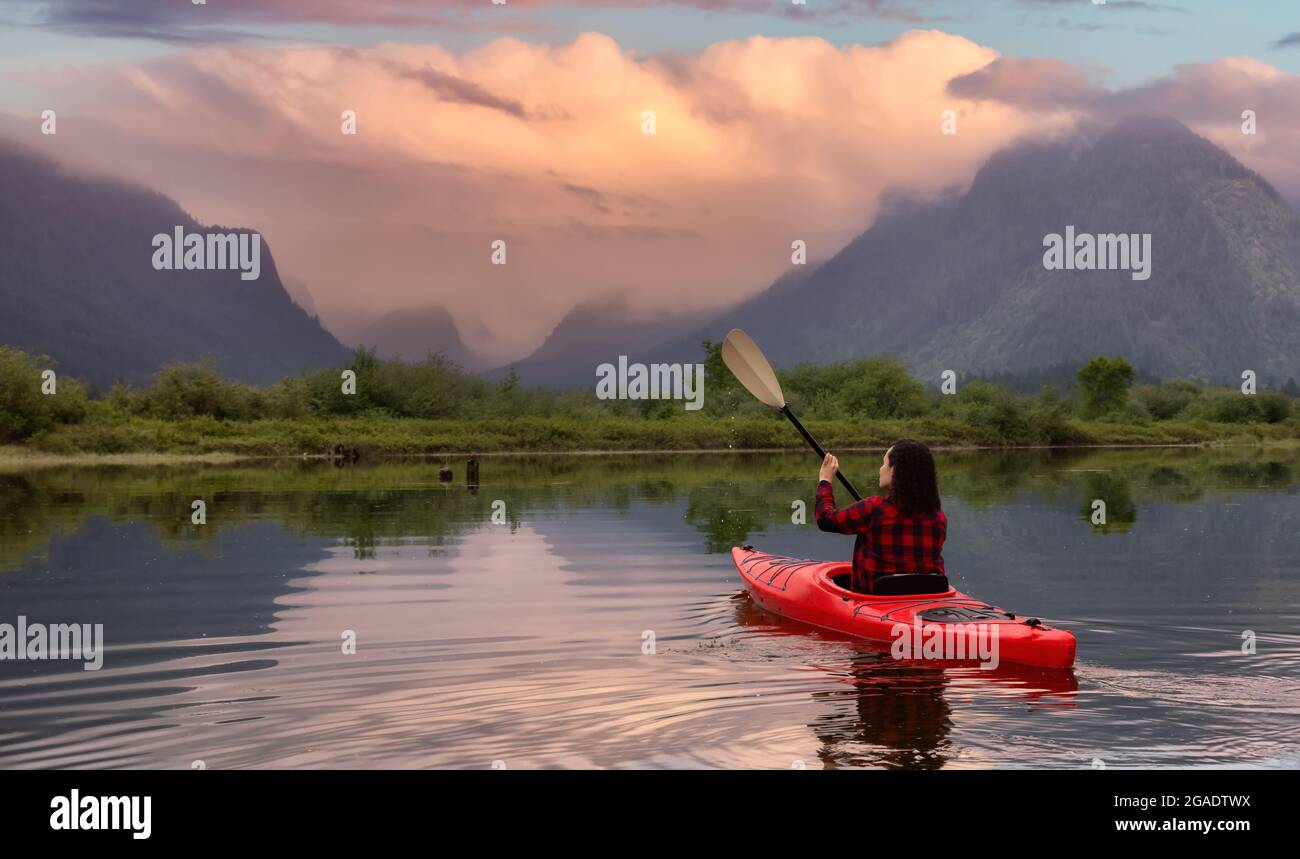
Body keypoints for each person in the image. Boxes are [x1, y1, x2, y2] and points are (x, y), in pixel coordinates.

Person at [814, 440, 946, 595]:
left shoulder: (874, 508)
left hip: (876, 602)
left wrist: (825, 480)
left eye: (884, 463)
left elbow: (826, 519)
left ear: (895, 470)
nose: (880, 469)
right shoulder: (939, 518)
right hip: (925, 601)